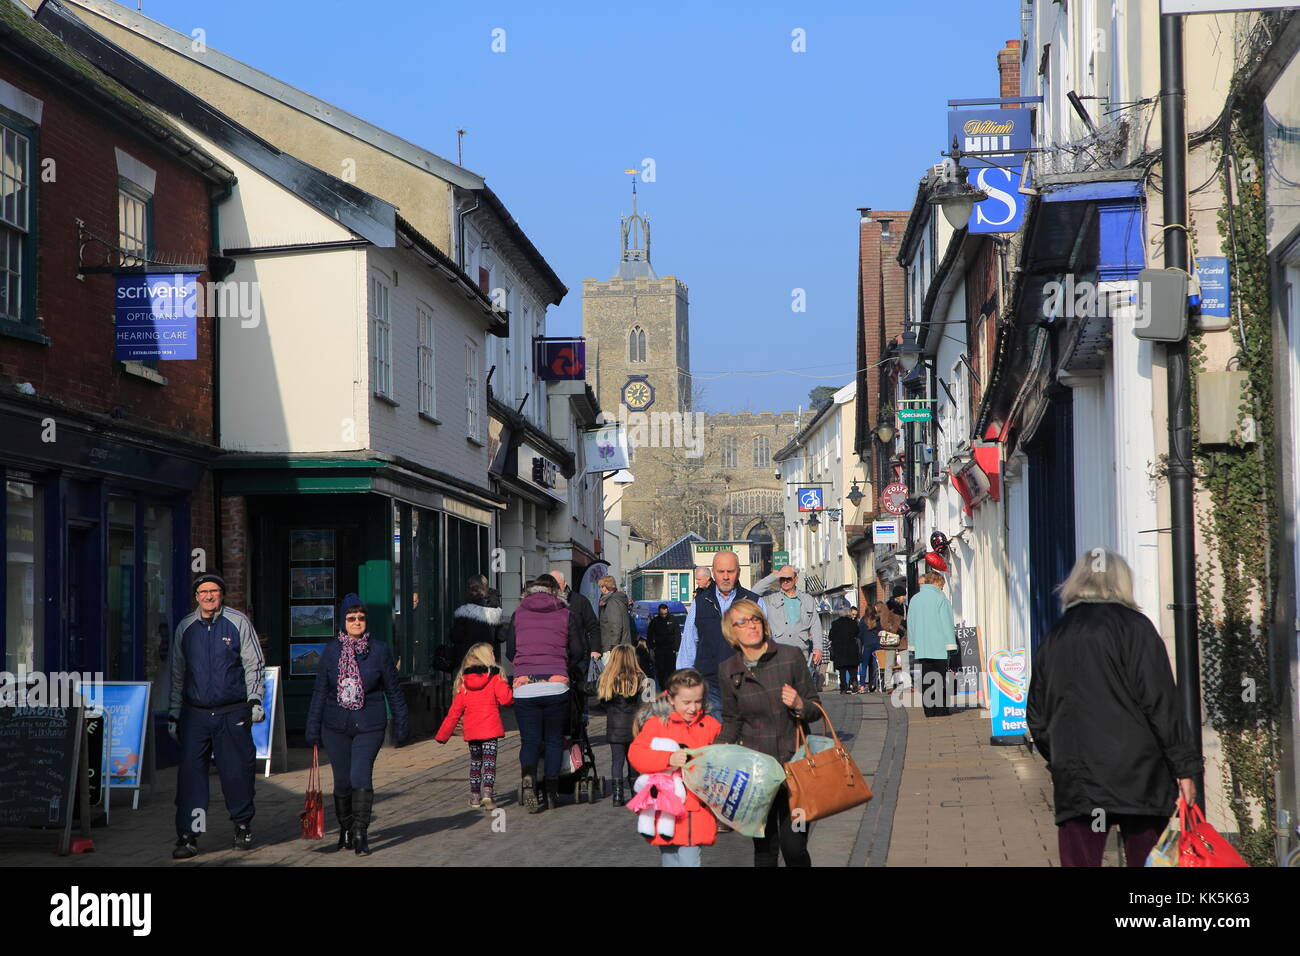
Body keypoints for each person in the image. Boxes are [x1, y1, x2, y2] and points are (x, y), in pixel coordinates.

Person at [1027, 550, 1201, 867]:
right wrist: (1185, 769)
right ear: (1122, 582)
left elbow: (1037, 716)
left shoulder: (1055, 635)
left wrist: (1061, 758)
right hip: (1140, 775)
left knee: (1081, 860)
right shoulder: (1137, 629)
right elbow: (1162, 703)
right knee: (1146, 860)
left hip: (1079, 779)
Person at [168, 573, 266, 860]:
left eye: (214, 591)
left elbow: (254, 664)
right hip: (195, 714)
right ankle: (189, 835)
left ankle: (242, 825)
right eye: (203, 592)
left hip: (231, 712)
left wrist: (255, 700)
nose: (209, 596)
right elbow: (177, 673)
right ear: (196, 596)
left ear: (222, 595)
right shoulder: (185, 627)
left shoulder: (238, 623)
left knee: (237, 773)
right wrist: (174, 712)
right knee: (191, 777)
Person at [717, 598, 821, 867]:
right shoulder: (728, 670)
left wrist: (800, 704)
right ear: (732, 631)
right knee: (764, 851)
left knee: (794, 846)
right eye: (743, 622)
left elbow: (816, 708)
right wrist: (715, 756)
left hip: (794, 768)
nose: (751, 626)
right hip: (758, 774)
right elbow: (731, 719)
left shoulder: (790, 656)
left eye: (755, 620)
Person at [305, 594, 410, 856]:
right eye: (351, 618)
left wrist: (401, 724)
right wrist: (312, 728)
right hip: (335, 726)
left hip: (369, 725)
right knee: (341, 781)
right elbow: (320, 692)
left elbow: (394, 691)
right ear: (343, 621)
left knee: (359, 776)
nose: (356, 622)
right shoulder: (331, 651)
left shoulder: (379, 650)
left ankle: (362, 832)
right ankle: (346, 828)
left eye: (361, 618)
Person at [503, 575, 587, 813]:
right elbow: (578, 650)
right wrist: (563, 666)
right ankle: (551, 789)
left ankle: (529, 776)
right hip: (556, 685)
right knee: (553, 740)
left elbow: (510, 650)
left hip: (524, 685)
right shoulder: (565, 614)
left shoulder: (519, 614)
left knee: (529, 740)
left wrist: (524, 666)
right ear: (555, 591)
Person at [628, 668, 721, 866]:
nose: (693, 708)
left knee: (689, 859)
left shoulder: (711, 725)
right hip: (666, 810)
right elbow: (636, 755)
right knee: (669, 859)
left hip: (697, 808)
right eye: (686, 702)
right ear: (671, 699)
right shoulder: (658, 724)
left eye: (698, 701)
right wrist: (668, 758)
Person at [675, 551, 764, 713]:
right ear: (713, 573)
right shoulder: (700, 603)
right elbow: (689, 645)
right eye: (720, 572)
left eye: (730, 571)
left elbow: (766, 645)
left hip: (745, 685)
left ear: (738, 572)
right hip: (710, 686)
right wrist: (683, 683)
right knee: (714, 736)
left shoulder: (754, 602)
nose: (725, 576)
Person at [435, 642, 513, 810]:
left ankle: (475, 797)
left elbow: (454, 713)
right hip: (490, 730)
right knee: (490, 764)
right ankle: (487, 794)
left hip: (473, 733)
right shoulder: (495, 678)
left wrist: (442, 735)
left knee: (475, 764)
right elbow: (506, 700)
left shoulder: (464, 683)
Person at [596, 644, 647, 806]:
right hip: (634, 727)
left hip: (614, 726)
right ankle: (635, 790)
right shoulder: (641, 678)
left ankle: (617, 795)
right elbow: (645, 704)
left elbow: (603, 702)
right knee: (633, 761)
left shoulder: (608, 679)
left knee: (617, 761)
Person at [760, 566, 828, 671]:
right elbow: (753, 593)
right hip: (777, 658)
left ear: (796, 579)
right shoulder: (770, 599)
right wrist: (774, 576)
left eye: (789, 579)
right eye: (782, 579)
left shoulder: (808, 600)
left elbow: (815, 625)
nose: (785, 581)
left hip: (800, 657)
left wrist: (818, 648)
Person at [907, 571, 954, 717]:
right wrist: (951, 645)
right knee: (939, 678)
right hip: (939, 646)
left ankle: (929, 710)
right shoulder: (940, 598)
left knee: (927, 679)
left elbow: (911, 624)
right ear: (936, 582)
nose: (942, 588)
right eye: (941, 584)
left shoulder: (915, 599)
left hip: (922, 647)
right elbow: (946, 623)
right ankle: (940, 710)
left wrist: (913, 644)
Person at [448, 580, 503, 668]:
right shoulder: (495, 611)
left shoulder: (463, 613)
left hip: (468, 659)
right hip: (489, 659)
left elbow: (456, 636)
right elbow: (501, 636)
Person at [645, 603, 681, 688]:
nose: (664, 616)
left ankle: (671, 686)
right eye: (662, 614)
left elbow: (677, 635)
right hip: (659, 650)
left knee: (671, 670)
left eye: (665, 614)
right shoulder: (655, 621)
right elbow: (650, 635)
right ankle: (663, 687)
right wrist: (652, 647)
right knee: (661, 671)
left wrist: (676, 648)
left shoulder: (673, 620)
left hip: (670, 649)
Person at [828, 608, 862, 694]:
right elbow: (857, 633)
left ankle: (843, 688)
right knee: (852, 668)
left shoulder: (835, 623)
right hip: (851, 649)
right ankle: (854, 682)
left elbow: (830, 636)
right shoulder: (853, 623)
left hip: (839, 650)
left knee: (842, 670)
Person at [597, 575, 632, 654]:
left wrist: (613, 648)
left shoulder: (612, 602)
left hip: (614, 648)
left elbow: (616, 625)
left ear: (605, 588)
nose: (600, 589)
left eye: (600, 587)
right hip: (622, 646)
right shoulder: (618, 599)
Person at [858, 608, 883, 693]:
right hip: (877, 644)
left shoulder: (862, 621)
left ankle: (862, 686)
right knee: (875, 666)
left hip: (867, 644)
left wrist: (863, 640)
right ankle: (874, 684)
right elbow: (881, 631)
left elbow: (859, 634)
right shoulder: (877, 620)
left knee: (864, 665)